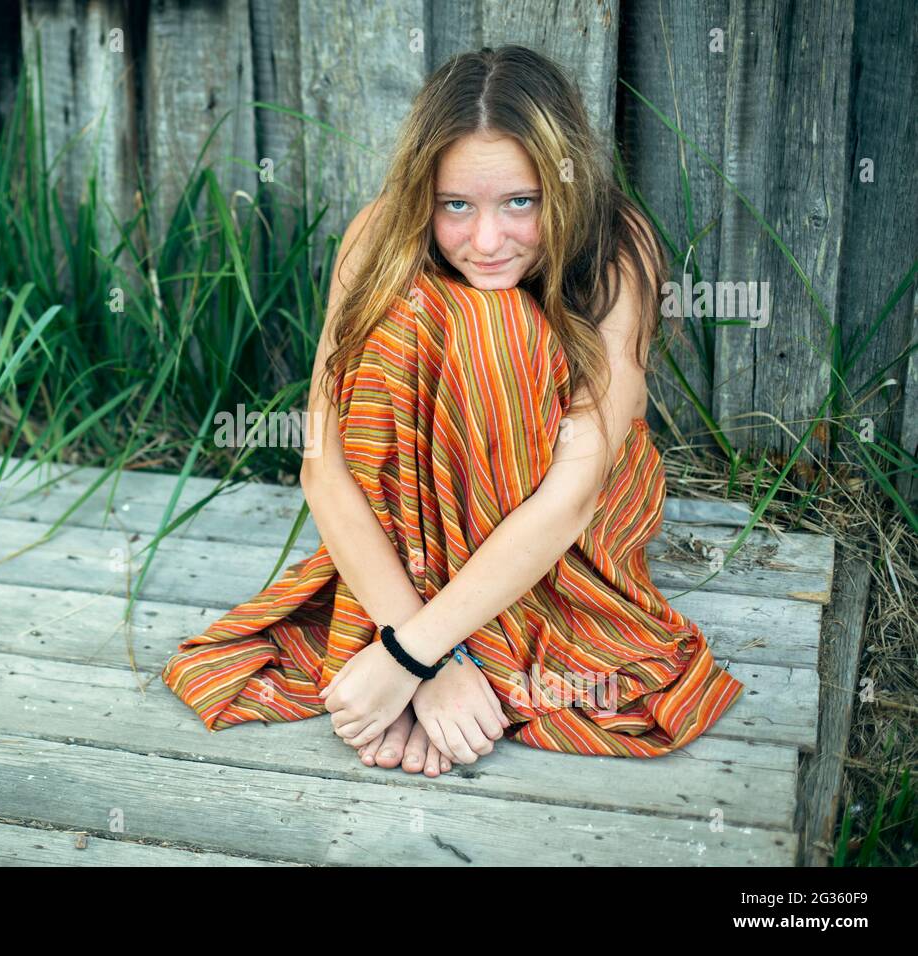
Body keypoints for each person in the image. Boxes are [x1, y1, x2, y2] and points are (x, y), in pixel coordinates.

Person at [161, 45, 745, 776]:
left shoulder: (617, 249)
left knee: (496, 332)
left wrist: (406, 656)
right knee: (420, 314)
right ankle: (455, 657)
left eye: (521, 203)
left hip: (570, 536)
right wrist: (429, 662)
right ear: (424, 194)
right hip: (411, 526)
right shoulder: (379, 236)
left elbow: (573, 498)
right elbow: (323, 464)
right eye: (456, 206)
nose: (489, 239)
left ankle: (475, 645)